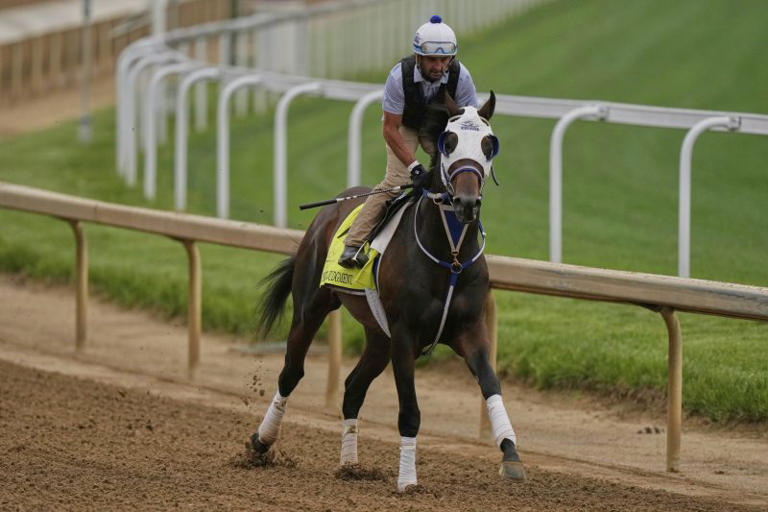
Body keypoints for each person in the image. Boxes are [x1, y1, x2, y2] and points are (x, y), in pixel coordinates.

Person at [338, 15, 480, 268]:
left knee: (455, 178)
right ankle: (353, 244)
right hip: (405, 126)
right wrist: (414, 167)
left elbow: (469, 126)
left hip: (440, 127)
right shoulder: (398, 77)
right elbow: (390, 129)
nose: (439, 66)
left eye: (444, 60)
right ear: (418, 57)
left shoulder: (462, 77)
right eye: (432, 60)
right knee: (396, 182)